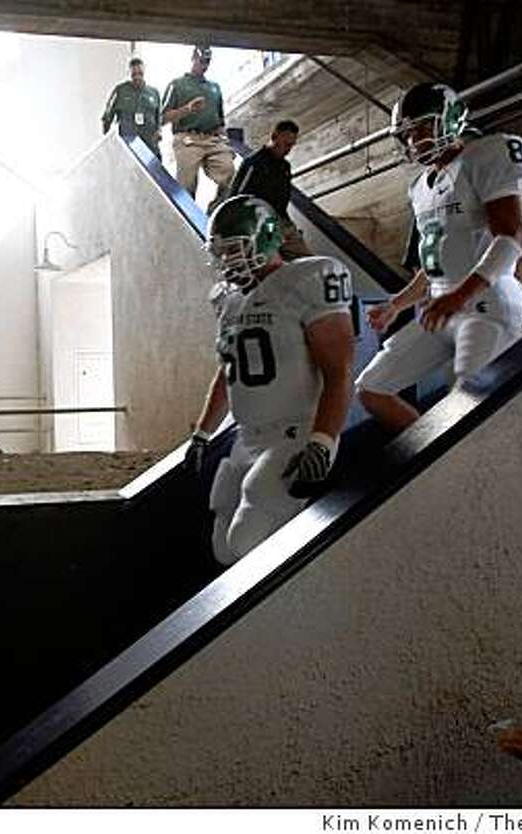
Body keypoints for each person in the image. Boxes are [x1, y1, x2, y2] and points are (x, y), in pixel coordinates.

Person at [355, 82, 522, 434]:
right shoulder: (420, 187)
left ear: (450, 119)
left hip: (487, 303)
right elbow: (436, 263)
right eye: (407, 135)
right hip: (442, 305)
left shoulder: (485, 155)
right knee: (371, 388)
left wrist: (462, 295)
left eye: (422, 128)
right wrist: (397, 304)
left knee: (469, 412)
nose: (414, 141)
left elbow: (512, 236)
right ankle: (431, 450)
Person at [184, 195, 355, 566]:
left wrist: (323, 442)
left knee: (246, 542)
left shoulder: (308, 278)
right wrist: (202, 433)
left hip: (294, 432)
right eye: (220, 252)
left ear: (265, 238)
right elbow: (229, 371)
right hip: (246, 437)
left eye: (234, 249)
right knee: (223, 548)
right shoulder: (228, 300)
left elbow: (339, 372)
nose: (226, 260)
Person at [161, 45, 235, 212]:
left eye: (207, 62)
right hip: (188, 140)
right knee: (186, 186)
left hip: (213, 139)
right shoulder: (177, 84)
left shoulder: (214, 87)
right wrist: (187, 109)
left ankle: (214, 210)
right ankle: (187, 219)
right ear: (193, 58)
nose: (204, 65)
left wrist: (226, 143)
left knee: (231, 175)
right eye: (201, 61)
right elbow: (163, 117)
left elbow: (220, 121)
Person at [226, 120, 311, 259]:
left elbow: (281, 201)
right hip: (260, 222)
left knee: (306, 259)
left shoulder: (285, 167)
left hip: (280, 222)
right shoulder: (254, 163)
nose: (288, 149)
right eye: (286, 144)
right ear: (274, 137)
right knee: (270, 256)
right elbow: (237, 198)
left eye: (291, 145)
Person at [101, 56, 164, 160]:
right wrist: (107, 144)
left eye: (140, 73)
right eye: (134, 74)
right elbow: (107, 117)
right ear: (129, 73)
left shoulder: (154, 93)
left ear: (144, 72)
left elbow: (159, 119)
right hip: (128, 148)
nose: (137, 77)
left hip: (150, 148)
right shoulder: (120, 91)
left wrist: (158, 133)